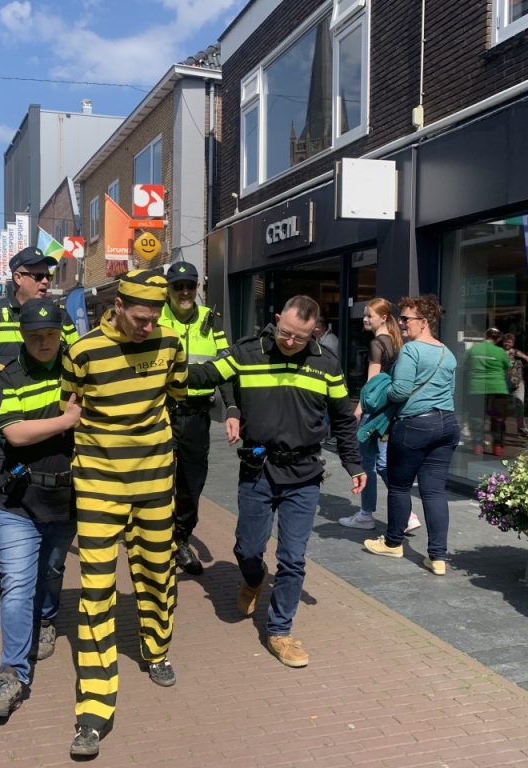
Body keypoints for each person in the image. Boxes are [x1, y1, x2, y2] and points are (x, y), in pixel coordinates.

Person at [188, 295, 365, 670]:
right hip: (258, 468)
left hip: (304, 474)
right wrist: (160, 367)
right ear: (278, 318)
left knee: (293, 558)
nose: (289, 342)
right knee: (248, 550)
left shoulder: (326, 364)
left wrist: (353, 463)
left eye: (299, 338)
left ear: (314, 332)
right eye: (286, 333)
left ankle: (280, 630)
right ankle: (253, 579)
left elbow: (345, 419)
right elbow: (208, 375)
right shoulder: (248, 353)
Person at [63, 269, 186, 758]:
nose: (147, 324)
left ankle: (156, 651)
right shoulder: (83, 350)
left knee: (158, 574)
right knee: (97, 589)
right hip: (98, 481)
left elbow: (175, 394)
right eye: (139, 316)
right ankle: (94, 711)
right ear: (117, 306)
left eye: (155, 315)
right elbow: (69, 404)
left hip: (155, 478)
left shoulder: (170, 344)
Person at [0, 246, 79, 642]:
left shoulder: (60, 316)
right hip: (4, 430)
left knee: (53, 512)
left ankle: (38, 604)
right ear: (18, 277)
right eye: (38, 275)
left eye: (48, 276)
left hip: (57, 433)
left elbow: (79, 360)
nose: (46, 281)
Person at [0, 298, 81, 718]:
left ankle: (47, 620)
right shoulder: (5, 373)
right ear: (22, 335)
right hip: (18, 501)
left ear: (62, 333)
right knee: (18, 584)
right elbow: (16, 434)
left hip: (67, 497)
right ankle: (12, 675)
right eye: (35, 335)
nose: (44, 342)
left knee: (53, 570)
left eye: (51, 335)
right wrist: (66, 420)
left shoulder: (76, 369)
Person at [364, 295, 459, 575]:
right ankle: (438, 557)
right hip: (447, 424)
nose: (402, 324)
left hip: (415, 424)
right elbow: (448, 392)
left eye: (406, 319)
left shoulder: (411, 350)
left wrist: (385, 389)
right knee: (434, 492)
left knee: (399, 485)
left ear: (424, 322)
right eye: (401, 318)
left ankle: (393, 542)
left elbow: (401, 391)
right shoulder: (447, 352)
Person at [157, 261, 232, 575]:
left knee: (191, 484)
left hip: (196, 416)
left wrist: (234, 409)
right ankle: (156, 541)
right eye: (178, 286)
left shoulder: (210, 320)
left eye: (190, 285)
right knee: (157, 482)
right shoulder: (155, 319)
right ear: (169, 289)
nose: (185, 291)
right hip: (158, 414)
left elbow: (227, 366)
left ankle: (181, 538)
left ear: (197, 287)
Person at [340, 298, 420, 531]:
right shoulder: (397, 342)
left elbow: (371, 385)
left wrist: (357, 411)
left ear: (383, 318)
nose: (365, 319)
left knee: (369, 464)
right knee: (383, 463)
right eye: (364, 315)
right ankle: (407, 514)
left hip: (374, 412)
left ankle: (369, 515)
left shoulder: (377, 343)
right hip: (389, 412)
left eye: (369, 316)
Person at [464, 327, 510, 456]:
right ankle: (498, 447)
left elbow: (465, 364)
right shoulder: (500, 352)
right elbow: (507, 366)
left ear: (485, 336)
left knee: (476, 417)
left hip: (477, 387)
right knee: (498, 419)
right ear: (498, 339)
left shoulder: (473, 349)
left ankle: (478, 445)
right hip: (498, 388)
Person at [500, 332, 528, 437]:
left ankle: (521, 428)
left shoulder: (517, 353)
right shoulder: (499, 353)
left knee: (519, 406)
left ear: (513, 343)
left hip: (518, 383)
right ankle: (501, 426)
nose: (507, 344)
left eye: (509, 342)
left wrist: (520, 356)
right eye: (505, 342)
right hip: (504, 384)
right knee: (503, 407)